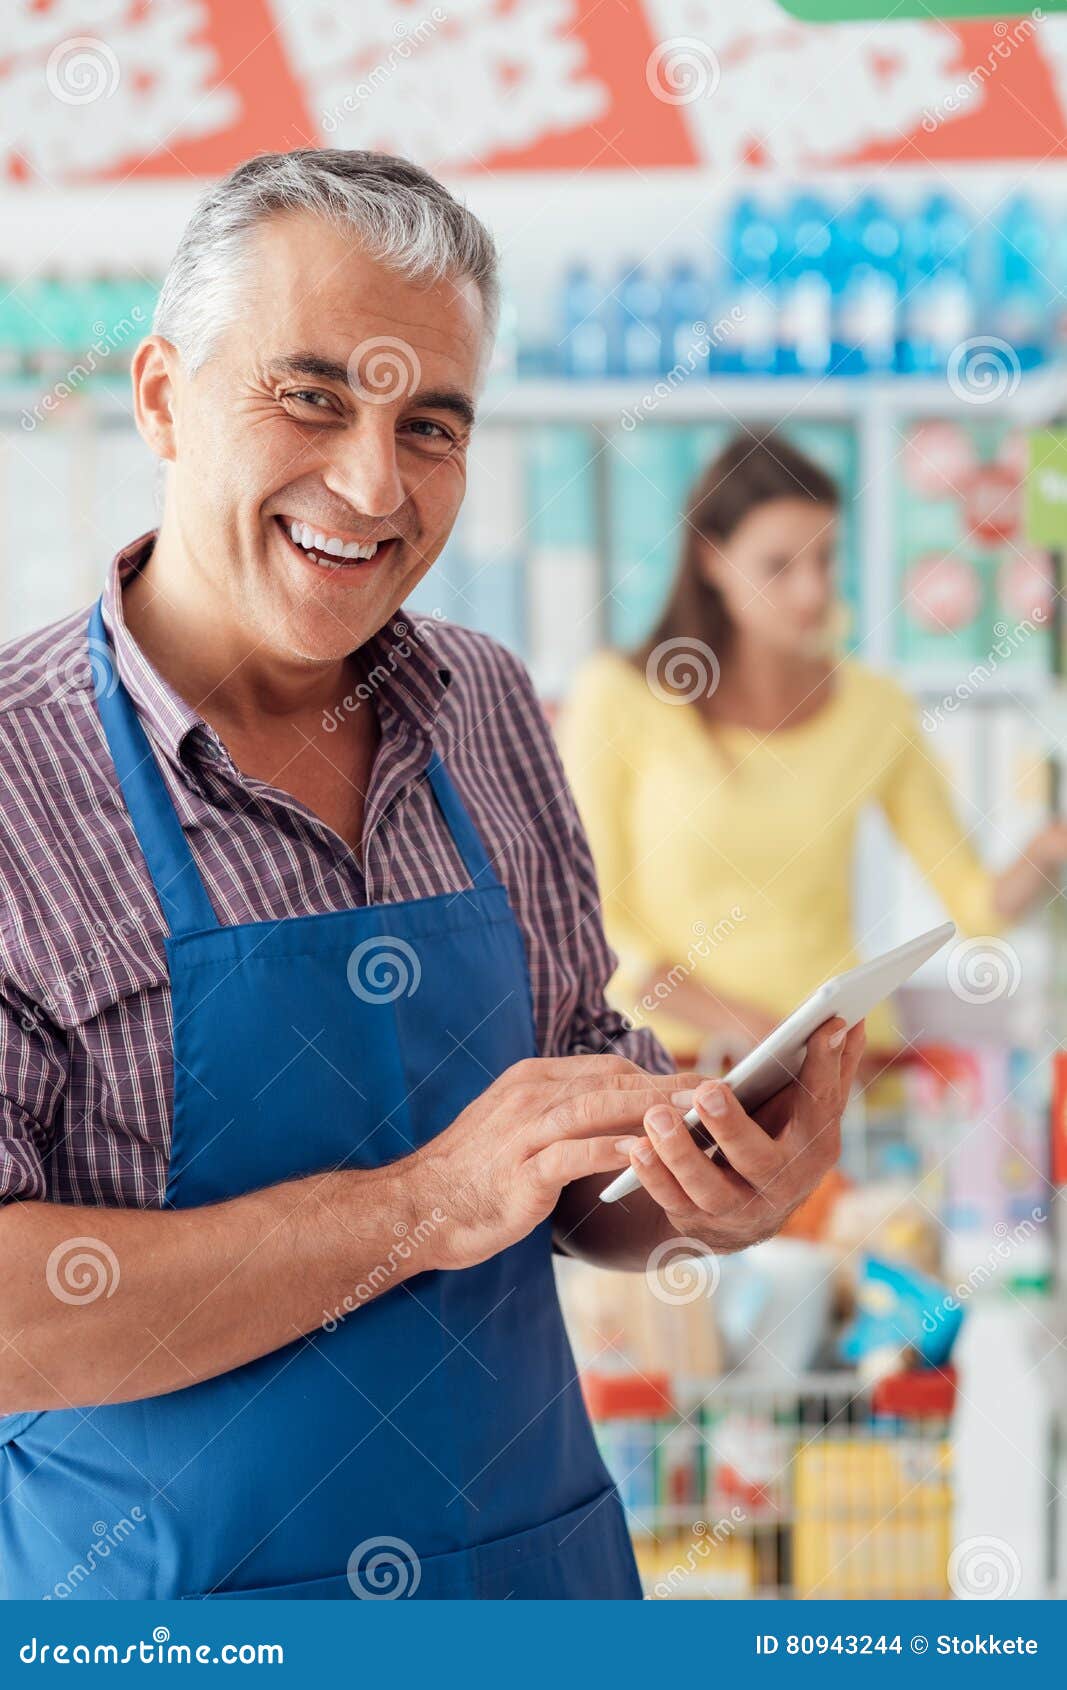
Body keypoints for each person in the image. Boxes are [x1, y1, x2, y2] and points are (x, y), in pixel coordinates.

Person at [0, 153, 862, 1603]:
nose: (372, 483)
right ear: (162, 395)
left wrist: (703, 1186)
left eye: (430, 425)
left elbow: (569, 1159)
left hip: (537, 1589)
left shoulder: (485, 705)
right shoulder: (20, 780)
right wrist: (420, 1203)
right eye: (313, 396)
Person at [559, 431, 1067, 1067]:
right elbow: (592, 926)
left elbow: (976, 907)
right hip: (677, 1074)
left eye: (826, 559)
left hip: (840, 1070)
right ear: (711, 559)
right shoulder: (619, 698)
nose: (811, 591)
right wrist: (756, 1032)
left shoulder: (876, 708)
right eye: (779, 565)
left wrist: (1050, 845)